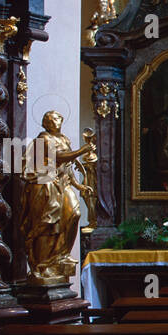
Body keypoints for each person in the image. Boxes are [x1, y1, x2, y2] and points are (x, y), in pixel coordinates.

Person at [21, 112, 98, 285]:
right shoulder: (44, 138)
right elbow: (58, 157)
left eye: (57, 119)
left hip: (63, 184)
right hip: (46, 184)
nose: (54, 122)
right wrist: (82, 150)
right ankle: (43, 264)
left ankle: (61, 255)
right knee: (49, 225)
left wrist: (79, 186)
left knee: (74, 214)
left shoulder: (63, 138)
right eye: (50, 120)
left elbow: (67, 166)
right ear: (45, 123)